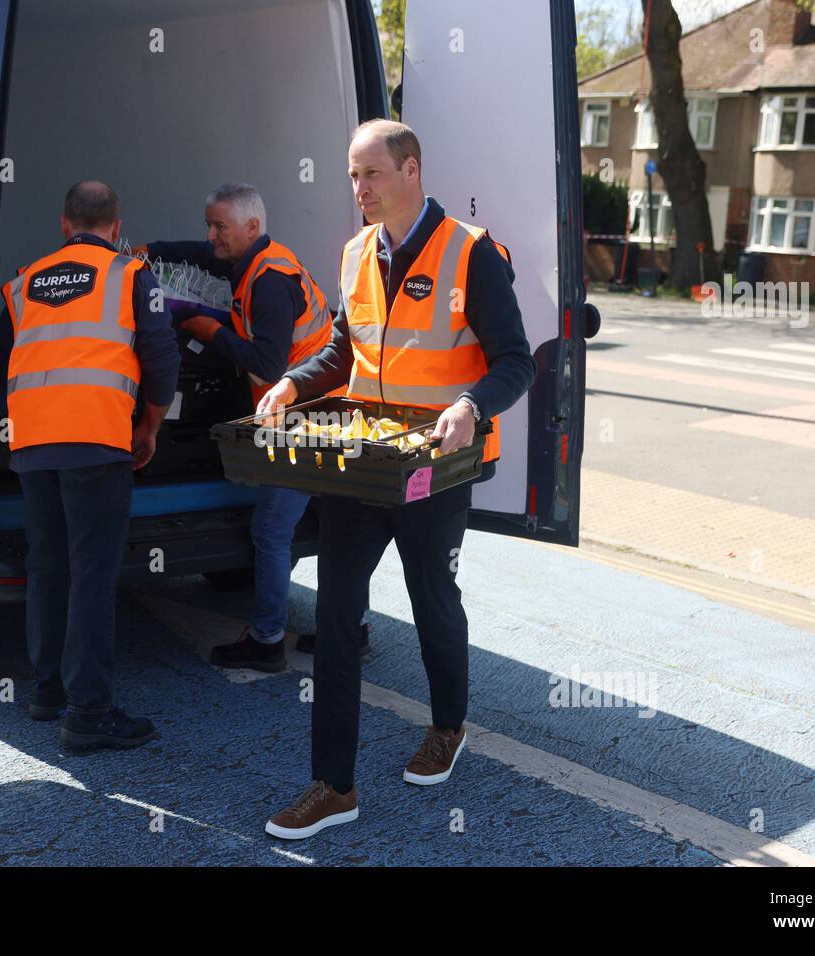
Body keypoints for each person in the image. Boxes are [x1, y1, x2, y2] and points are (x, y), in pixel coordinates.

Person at [258, 120, 537, 839]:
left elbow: (516, 360)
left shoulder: (471, 253)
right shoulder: (354, 252)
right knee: (336, 613)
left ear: (411, 170)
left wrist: (471, 406)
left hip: (435, 467)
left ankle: (447, 725)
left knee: (431, 597)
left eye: (371, 174)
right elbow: (341, 351)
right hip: (363, 460)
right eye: (353, 176)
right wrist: (292, 384)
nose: (359, 190)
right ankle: (333, 786)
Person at [2, 180, 179, 753]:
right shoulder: (130, 274)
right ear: (116, 224)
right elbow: (161, 358)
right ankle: (89, 712)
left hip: (31, 442)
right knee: (92, 574)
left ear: (64, 224)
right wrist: (149, 427)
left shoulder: (25, 280)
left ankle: (47, 689)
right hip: (97, 440)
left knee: (48, 567)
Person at [144, 183, 336, 672]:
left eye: (219, 227)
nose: (211, 236)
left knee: (272, 530)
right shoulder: (260, 258)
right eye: (208, 224)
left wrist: (206, 329)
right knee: (337, 523)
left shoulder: (269, 284)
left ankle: (267, 640)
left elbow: (268, 365)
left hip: (301, 420)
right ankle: (346, 629)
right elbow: (203, 257)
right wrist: (150, 253)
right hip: (325, 411)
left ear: (251, 227)